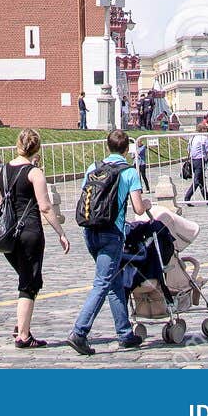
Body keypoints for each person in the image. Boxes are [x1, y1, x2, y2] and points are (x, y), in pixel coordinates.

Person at [68, 129, 147, 355]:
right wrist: (148, 204)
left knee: (113, 281)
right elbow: (139, 208)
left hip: (90, 231)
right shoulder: (129, 172)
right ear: (126, 149)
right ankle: (79, 332)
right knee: (103, 282)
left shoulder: (94, 168)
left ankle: (125, 333)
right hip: (112, 233)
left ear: (108, 147)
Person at [0, 129, 69, 348]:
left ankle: (21, 324)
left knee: (31, 279)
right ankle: (23, 335)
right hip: (29, 232)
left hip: (8, 235)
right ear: (37, 149)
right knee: (28, 282)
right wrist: (61, 233)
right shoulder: (34, 173)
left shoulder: (1, 173)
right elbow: (45, 206)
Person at [183, 124, 208, 204]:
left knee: (201, 180)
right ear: (202, 130)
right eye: (205, 129)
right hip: (200, 160)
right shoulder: (204, 138)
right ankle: (187, 197)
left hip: (193, 160)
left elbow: (188, 150)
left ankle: (207, 199)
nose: (206, 130)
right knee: (197, 181)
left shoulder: (192, 138)